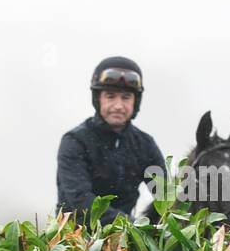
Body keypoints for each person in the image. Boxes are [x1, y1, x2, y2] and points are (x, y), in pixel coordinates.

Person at [56, 56, 165, 226]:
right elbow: (80, 200)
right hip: (73, 240)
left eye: (126, 97)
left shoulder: (145, 144)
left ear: (135, 102)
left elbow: (165, 195)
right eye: (110, 96)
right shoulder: (74, 142)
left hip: (126, 241)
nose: (118, 105)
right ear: (97, 98)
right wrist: (133, 225)